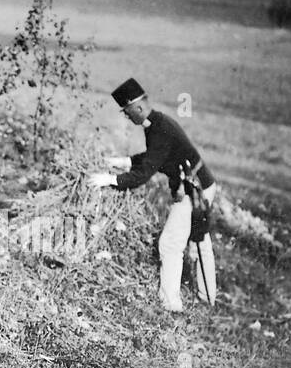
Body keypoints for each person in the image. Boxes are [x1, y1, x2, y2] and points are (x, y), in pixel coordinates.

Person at [87, 78, 219, 312]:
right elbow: (156, 157)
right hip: (202, 184)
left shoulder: (159, 130)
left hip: (193, 191)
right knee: (200, 241)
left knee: (170, 244)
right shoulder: (158, 124)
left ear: (138, 107)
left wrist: (111, 180)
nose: (127, 118)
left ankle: (170, 304)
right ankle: (207, 297)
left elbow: (144, 173)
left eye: (127, 113)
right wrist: (126, 161)